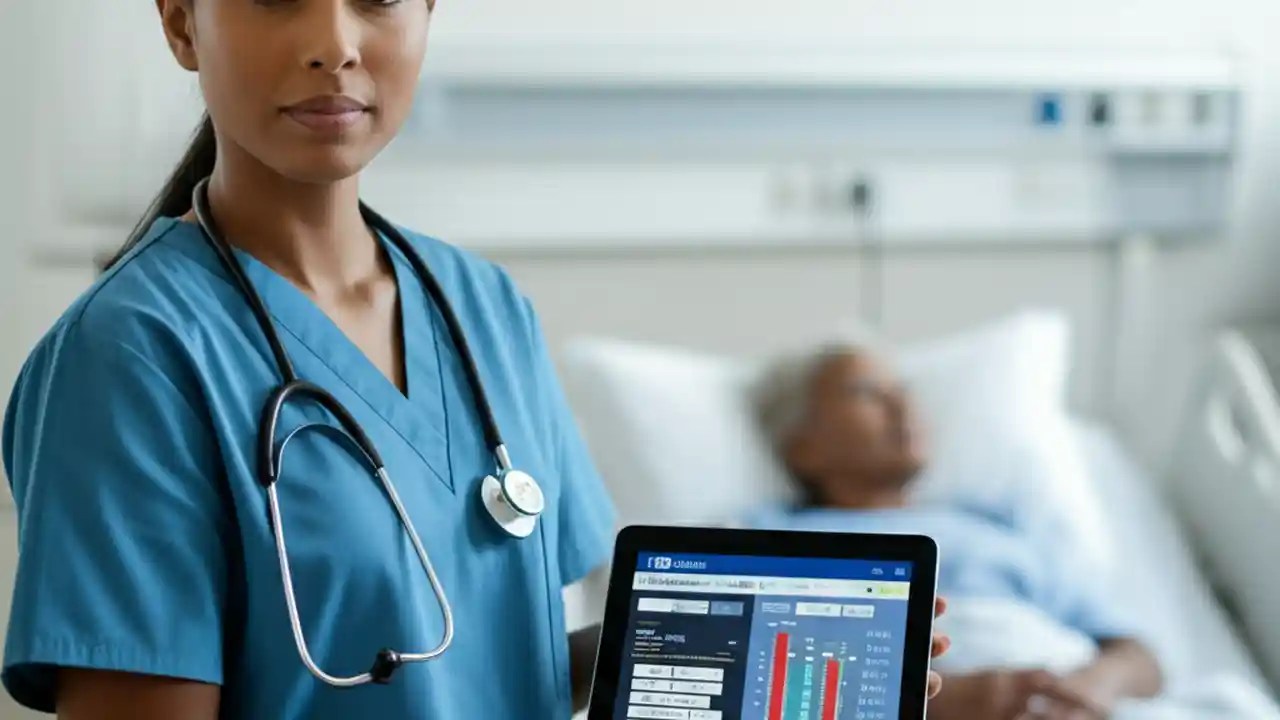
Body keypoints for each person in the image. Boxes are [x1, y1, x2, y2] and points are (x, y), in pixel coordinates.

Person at [0, 2, 622, 718]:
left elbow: (507, 662)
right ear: (181, 25)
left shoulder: (488, 308)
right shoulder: (128, 357)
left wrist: (697, 640)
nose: (334, 45)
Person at [750, 341, 1164, 720]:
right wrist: (938, 701)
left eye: (902, 389)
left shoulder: (997, 524)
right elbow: (753, 675)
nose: (901, 405)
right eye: (866, 392)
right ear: (803, 447)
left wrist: (1090, 689)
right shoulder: (767, 535)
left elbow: (1137, 655)